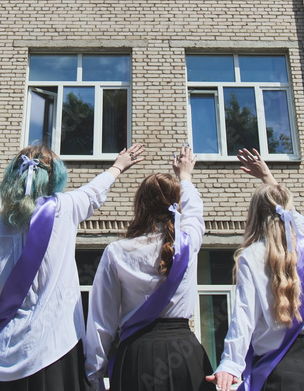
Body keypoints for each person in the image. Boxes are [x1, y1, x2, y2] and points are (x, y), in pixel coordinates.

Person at [0, 143, 145, 391]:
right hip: (55, 351)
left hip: (1, 360)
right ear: (55, 178)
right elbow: (92, 192)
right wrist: (118, 166)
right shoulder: (63, 208)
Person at [207, 149, 304, 391]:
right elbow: (294, 218)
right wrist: (268, 177)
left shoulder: (251, 256)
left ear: (254, 217)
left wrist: (230, 364)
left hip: (276, 375)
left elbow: (243, 317)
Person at [84, 144, 211, 390]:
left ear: (140, 206)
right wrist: (185, 177)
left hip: (136, 357)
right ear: (177, 205)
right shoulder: (189, 241)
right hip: (184, 354)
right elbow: (195, 212)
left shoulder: (117, 252)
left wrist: (94, 377)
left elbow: (101, 323)